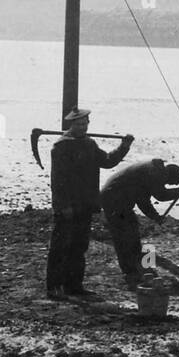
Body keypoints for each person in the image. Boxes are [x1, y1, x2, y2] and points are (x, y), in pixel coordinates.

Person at [46, 107, 132, 301]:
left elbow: (108, 161)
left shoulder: (89, 144)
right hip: (67, 207)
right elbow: (57, 181)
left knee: (79, 247)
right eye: (78, 124)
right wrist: (62, 206)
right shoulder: (60, 147)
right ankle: (54, 287)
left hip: (85, 205)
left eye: (85, 124)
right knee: (60, 247)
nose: (83, 127)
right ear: (71, 125)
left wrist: (124, 147)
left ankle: (74, 286)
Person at [100, 158, 179, 289]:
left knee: (132, 231)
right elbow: (161, 195)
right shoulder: (156, 173)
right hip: (114, 197)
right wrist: (178, 192)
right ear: (168, 175)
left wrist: (155, 216)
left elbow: (143, 201)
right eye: (169, 183)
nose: (166, 184)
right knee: (123, 235)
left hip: (115, 197)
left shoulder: (151, 171)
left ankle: (136, 268)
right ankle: (130, 272)